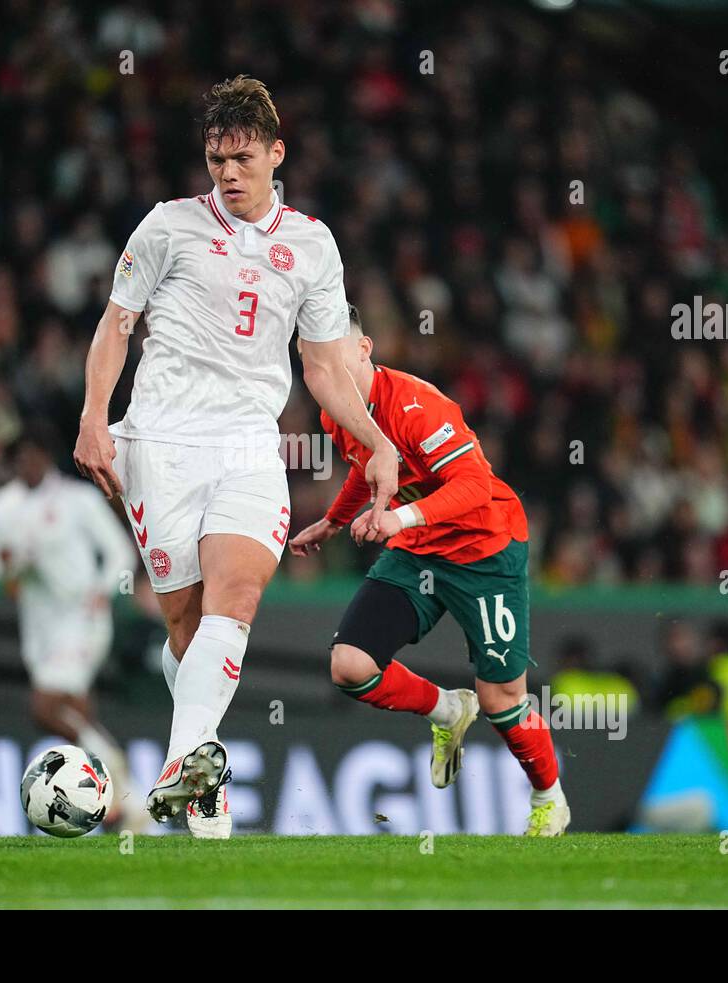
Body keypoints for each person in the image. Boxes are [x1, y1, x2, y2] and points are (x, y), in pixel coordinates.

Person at [73, 76, 398, 838]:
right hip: (157, 441)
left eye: (243, 157)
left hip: (251, 445)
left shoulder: (312, 245)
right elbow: (115, 326)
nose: (228, 172)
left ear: (275, 153)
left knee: (238, 597)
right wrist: (95, 419)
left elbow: (323, 367)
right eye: (217, 157)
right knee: (186, 631)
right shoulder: (166, 227)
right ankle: (207, 787)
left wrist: (379, 442)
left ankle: (180, 760)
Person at [288, 307, 569, 836]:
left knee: (502, 701)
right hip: (420, 548)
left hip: (485, 550)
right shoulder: (336, 412)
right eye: (313, 358)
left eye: (334, 350)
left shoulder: (418, 408)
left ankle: (549, 796)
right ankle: (445, 711)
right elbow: (363, 467)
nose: (325, 367)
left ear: (365, 349)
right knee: (350, 665)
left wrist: (397, 517)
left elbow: (473, 487)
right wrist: (331, 523)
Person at [0, 425, 141, 829]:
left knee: (45, 705)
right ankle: (112, 804)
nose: (25, 462)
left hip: (82, 619)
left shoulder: (78, 499)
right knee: (73, 708)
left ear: (46, 456)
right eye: (17, 456)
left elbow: (120, 550)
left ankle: (109, 768)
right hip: (39, 626)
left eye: (31, 453)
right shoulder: (2, 506)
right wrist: (10, 565)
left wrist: (104, 590)